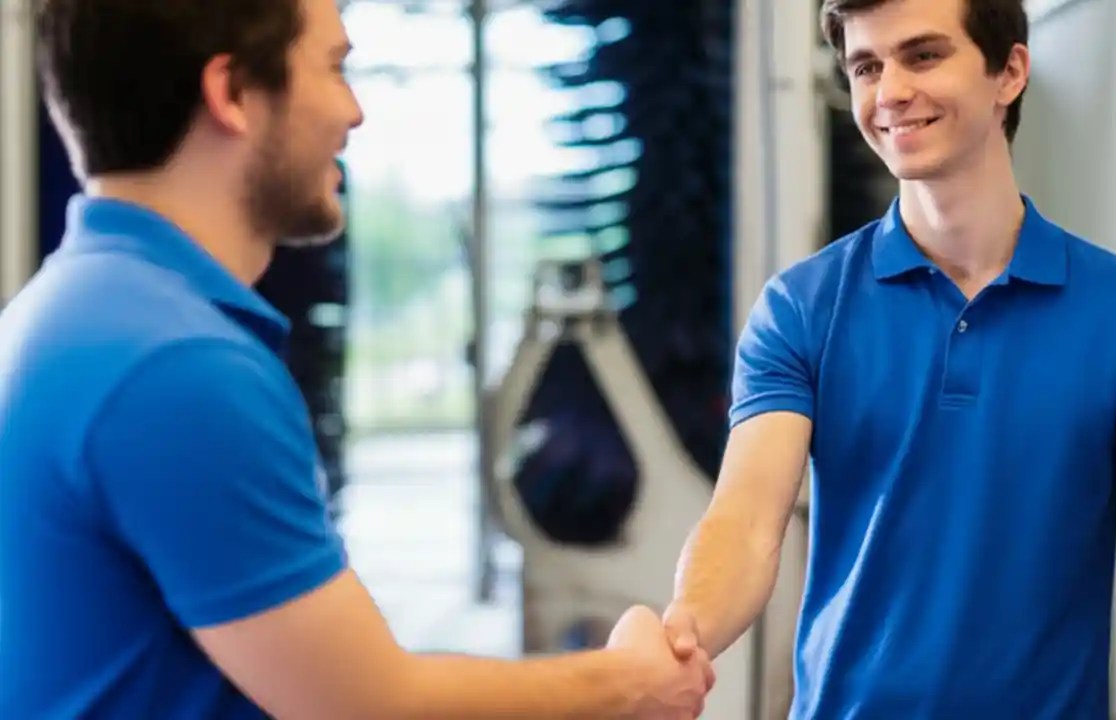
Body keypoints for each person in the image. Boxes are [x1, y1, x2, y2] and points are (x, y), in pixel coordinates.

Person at [0, 1, 714, 718]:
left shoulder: (69, 315)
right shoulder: (177, 368)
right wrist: (631, 681)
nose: (355, 112)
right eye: (335, 68)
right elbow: (368, 705)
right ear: (234, 95)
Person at [656, 0, 1116, 718]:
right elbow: (745, 523)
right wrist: (684, 631)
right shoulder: (800, 308)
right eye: (866, 66)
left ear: (1009, 71)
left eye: (922, 56)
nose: (888, 91)